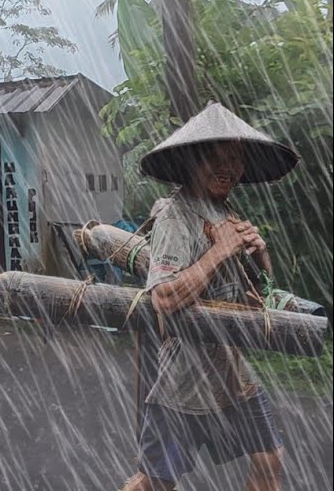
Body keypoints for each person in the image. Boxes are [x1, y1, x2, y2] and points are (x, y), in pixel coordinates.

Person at [121, 102, 295, 491]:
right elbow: (163, 297)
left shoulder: (226, 212)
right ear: (191, 161)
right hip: (184, 381)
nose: (228, 167)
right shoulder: (175, 216)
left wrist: (260, 255)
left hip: (232, 375)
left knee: (269, 459)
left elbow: (255, 302)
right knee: (155, 482)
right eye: (215, 157)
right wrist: (220, 251)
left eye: (235, 158)